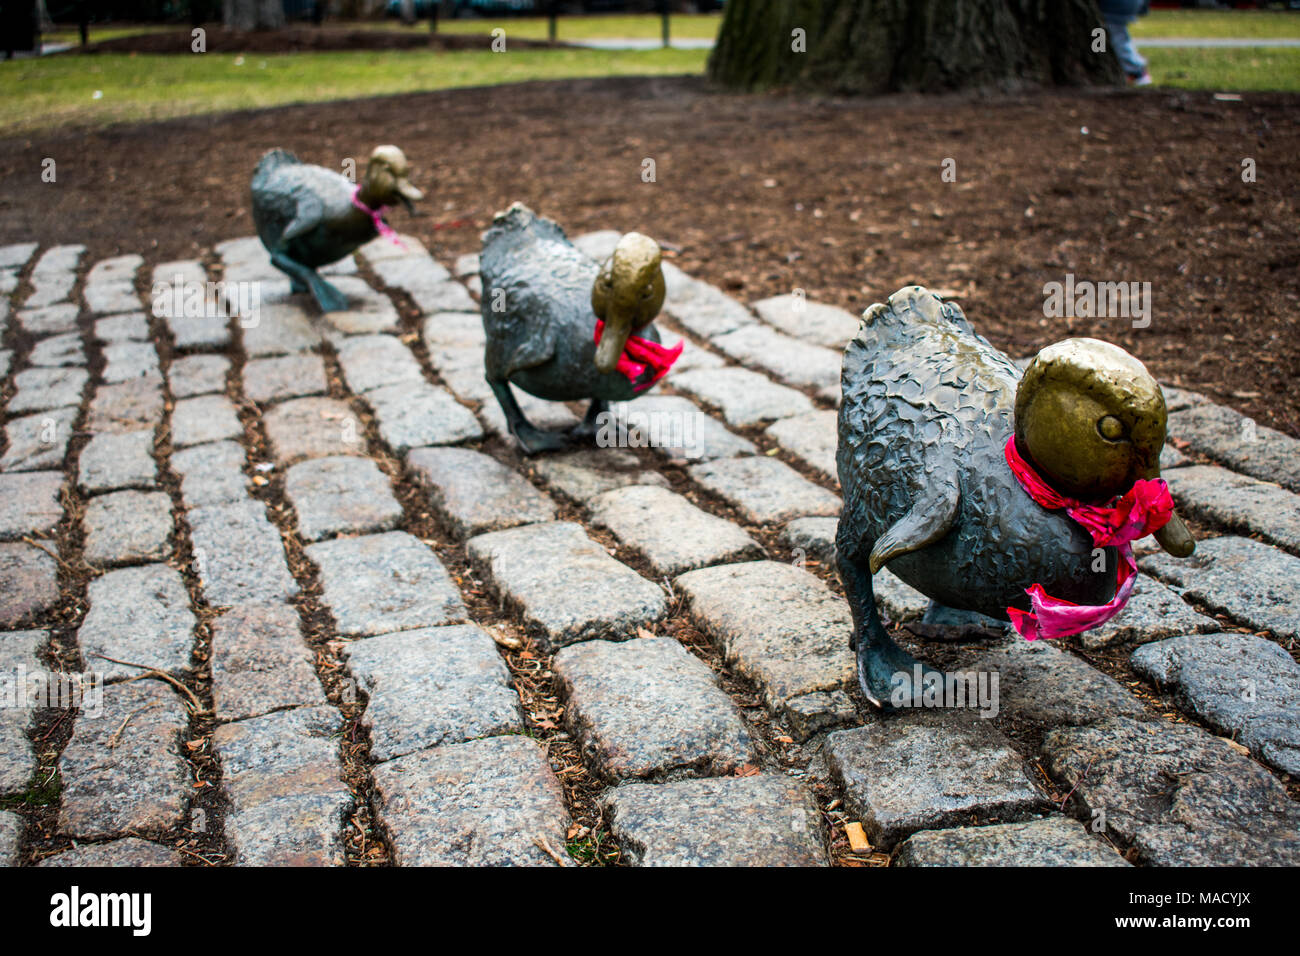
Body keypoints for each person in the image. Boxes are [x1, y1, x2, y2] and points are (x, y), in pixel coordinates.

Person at [1099, 0, 1153, 86]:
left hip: (1114, 5)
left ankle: (1135, 71)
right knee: (1115, 34)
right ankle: (1134, 68)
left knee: (1111, 34)